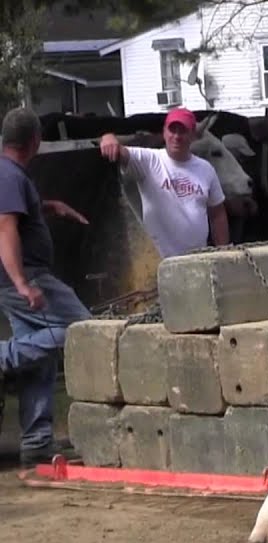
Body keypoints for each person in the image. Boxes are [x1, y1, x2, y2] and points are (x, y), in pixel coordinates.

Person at [0, 107, 93, 466]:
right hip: (25, 276)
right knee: (84, 329)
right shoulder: (8, 176)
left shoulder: (10, 174)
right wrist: (23, 283)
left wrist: (48, 208)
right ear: (35, 141)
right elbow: (5, 228)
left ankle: (37, 442)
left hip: (17, 278)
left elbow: (18, 216)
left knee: (38, 361)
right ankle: (4, 356)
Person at [99, 107, 230, 258]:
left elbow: (217, 213)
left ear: (193, 135)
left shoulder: (206, 169)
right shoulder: (149, 160)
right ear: (164, 132)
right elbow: (120, 152)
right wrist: (108, 137)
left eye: (183, 131)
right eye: (172, 130)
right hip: (159, 262)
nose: (176, 136)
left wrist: (223, 252)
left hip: (198, 259)